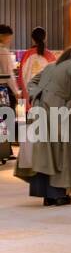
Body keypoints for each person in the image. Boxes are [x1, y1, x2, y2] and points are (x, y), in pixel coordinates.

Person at [16, 44, 71, 205]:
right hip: (59, 115)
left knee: (45, 154)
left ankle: (48, 196)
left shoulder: (52, 66)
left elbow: (31, 82)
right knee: (62, 154)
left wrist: (37, 98)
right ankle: (58, 195)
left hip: (41, 113)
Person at [16, 26, 54, 103]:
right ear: (45, 38)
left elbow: (21, 78)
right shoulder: (50, 56)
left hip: (28, 98)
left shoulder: (26, 55)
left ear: (32, 39)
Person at [0, 25, 15, 163]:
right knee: (4, 119)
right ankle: (4, 149)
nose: (10, 39)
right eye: (9, 36)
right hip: (2, 90)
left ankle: (6, 149)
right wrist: (16, 92)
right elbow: (9, 73)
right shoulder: (3, 51)